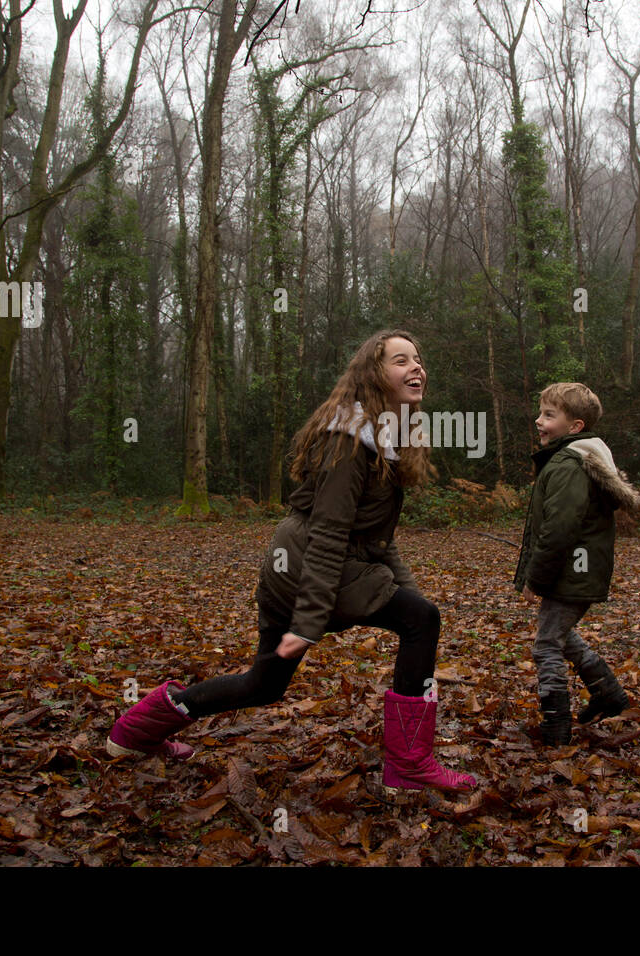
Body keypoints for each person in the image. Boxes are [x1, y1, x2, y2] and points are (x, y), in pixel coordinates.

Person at [107, 330, 476, 795]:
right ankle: (408, 766)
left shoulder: (387, 436)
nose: (416, 367)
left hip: (307, 565)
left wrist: (409, 591)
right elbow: (328, 533)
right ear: (373, 375)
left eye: (419, 359)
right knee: (421, 621)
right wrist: (308, 622)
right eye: (401, 360)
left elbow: (378, 541)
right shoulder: (350, 439)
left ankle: (136, 732)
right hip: (308, 562)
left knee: (264, 685)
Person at [514, 382, 640, 745]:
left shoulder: (569, 464)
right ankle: (609, 694)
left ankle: (556, 728)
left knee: (546, 644)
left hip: (574, 569)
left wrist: (534, 580)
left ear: (576, 427)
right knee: (561, 635)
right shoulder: (570, 459)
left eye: (549, 415)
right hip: (576, 569)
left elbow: (559, 530)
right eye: (540, 413)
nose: (539, 421)